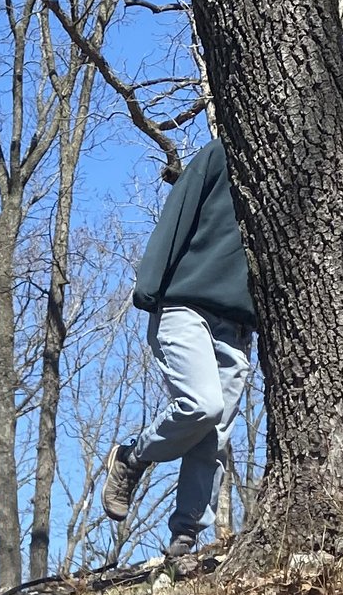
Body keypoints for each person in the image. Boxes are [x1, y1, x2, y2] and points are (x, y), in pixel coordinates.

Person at [102, 138, 258, 555]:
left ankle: (184, 539)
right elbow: (178, 211)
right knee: (201, 406)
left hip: (239, 325)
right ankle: (133, 457)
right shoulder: (222, 153)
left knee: (216, 436)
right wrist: (149, 284)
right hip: (185, 304)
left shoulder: (302, 174)